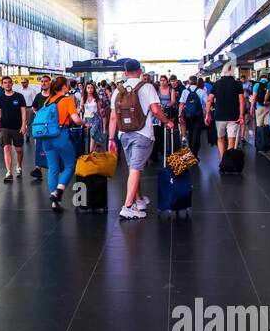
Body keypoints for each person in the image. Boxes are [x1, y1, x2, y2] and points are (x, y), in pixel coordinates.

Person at [108, 59, 172, 219]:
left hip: (123, 134)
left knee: (133, 168)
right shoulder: (147, 87)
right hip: (142, 133)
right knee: (135, 169)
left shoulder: (118, 90)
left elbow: (113, 117)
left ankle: (139, 200)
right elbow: (156, 110)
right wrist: (167, 121)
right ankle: (127, 207)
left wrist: (110, 138)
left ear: (125, 72)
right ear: (140, 71)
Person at [38, 76, 82, 212]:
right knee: (70, 165)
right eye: (67, 84)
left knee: (53, 167)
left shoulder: (48, 100)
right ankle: (59, 190)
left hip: (46, 138)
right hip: (61, 136)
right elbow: (75, 119)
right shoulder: (68, 100)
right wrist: (84, 123)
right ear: (64, 86)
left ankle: (54, 201)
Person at [0, 76, 29, 182]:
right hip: (5, 127)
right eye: (5, 83)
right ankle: (9, 172)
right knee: (6, 148)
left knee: (18, 149)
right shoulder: (0, 98)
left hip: (17, 127)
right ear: (2, 85)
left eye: (9, 82)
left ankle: (19, 165)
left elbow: (23, 112)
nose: (7, 84)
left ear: (12, 84)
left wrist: (23, 125)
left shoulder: (19, 96)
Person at [206, 64, 245, 159]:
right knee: (231, 139)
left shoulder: (217, 84)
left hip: (219, 116)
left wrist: (207, 114)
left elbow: (209, 100)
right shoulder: (237, 84)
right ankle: (229, 161)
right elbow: (241, 100)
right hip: (233, 116)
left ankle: (222, 160)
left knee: (220, 139)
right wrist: (241, 115)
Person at [30, 75, 53, 181]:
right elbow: (34, 108)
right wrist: (39, 115)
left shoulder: (54, 96)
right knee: (39, 146)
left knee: (51, 147)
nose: (43, 83)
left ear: (49, 82)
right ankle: (38, 168)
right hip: (40, 127)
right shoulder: (38, 96)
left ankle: (52, 167)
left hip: (52, 126)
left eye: (45, 81)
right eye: (42, 81)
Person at [178, 75, 207, 152]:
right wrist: (207, 114)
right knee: (196, 134)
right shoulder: (202, 91)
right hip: (198, 115)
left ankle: (190, 150)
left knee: (190, 133)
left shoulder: (185, 91)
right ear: (196, 82)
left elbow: (181, 104)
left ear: (189, 82)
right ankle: (195, 152)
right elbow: (207, 103)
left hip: (188, 115)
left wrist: (180, 115)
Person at [81, 82, 105, 153]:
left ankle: (91, 151)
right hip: (87, 118)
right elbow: (81, 109)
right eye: (88, 88)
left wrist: (103, 124)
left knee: (93, 133)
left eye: (91, 88)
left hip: (96, 118)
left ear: (94, 89)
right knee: (88, 136)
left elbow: (100, 110)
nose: (90, 89)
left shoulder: (96, 98)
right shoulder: (83, 97)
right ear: (85, 89)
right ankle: (92, 150)